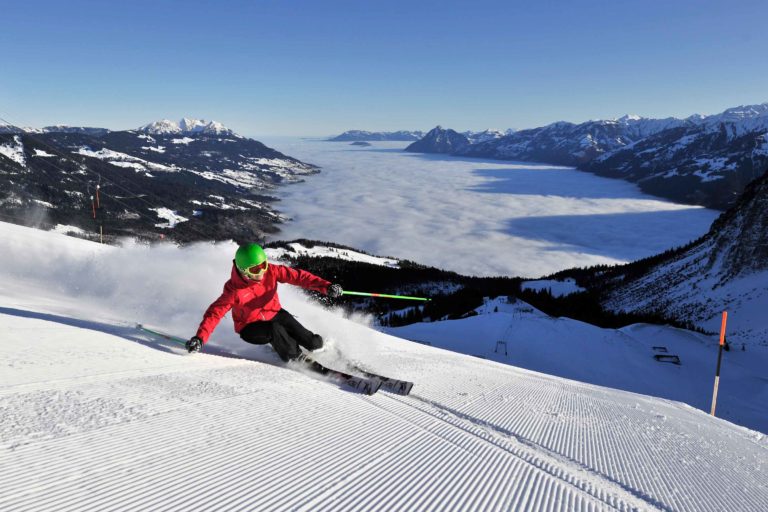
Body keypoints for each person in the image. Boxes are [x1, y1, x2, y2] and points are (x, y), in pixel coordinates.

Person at [187, 243, 343, 361]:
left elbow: (298, 277)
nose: (261, 272)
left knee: (311, 342)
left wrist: (326, 287)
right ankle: (295, 357)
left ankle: (319, 346)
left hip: (274, 312)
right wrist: (200, 338)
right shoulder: (233, 290)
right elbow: (215, 313)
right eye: (255, 270)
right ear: (243, 270)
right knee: (274, 329)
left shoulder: (271, 272)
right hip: (250, 327)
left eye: (264, 265)